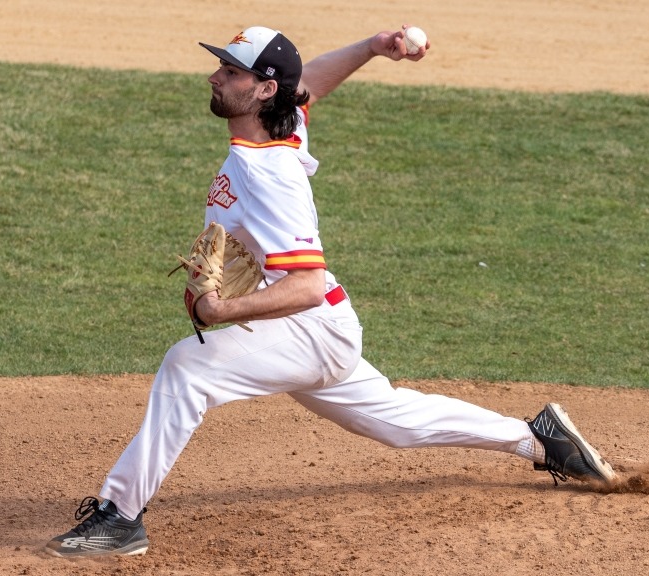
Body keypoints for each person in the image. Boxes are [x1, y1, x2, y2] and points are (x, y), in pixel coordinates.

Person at [45, 24, 617, 559]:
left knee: (185, 369)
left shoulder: (266, 174)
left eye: (231, 71)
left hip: (305, 327)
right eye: (221, 66)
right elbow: (309, 81)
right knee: (395, 421)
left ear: (264, 89)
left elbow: (309, 285)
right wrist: (372, 46)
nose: (216, 77)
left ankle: (120, 517)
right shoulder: (281, 124)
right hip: (315, 330)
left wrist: (222, 309)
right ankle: (539, 440)